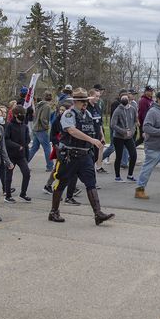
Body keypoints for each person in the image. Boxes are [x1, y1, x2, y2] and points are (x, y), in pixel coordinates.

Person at [48, 88, 113, 225]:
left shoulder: (88, 113)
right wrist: (91, 140)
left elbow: (94, 128)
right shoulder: (68, 114)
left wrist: (97, 140)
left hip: (85, 155)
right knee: (61, 182)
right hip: (69, 156)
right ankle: (54, 212)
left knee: (91, 183)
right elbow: (71, 131)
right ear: (76, 101)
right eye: (83, 101)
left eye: (86, 101)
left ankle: (98, 213)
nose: (85, 103)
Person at [2, 105, 31, 203]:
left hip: (21, 156)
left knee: (27, 173)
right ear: (15, 115)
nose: (22, 116)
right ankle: (8, 195)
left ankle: (23, 194)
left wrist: (25, 147)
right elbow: (6, 140)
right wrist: (17, 146)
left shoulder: (25, 126)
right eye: (20, 114)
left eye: (24, 114)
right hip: (11, 155)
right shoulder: (9, 125)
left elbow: (28, 139)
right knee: (9, 175)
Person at [109, 90, 138, 182]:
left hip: (129, 137)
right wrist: (124, 131)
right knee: (119, 156)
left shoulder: (133, 109)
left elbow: (135, 121)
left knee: (133, 155)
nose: (126, 99)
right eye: (123, 98)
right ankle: (117, 176)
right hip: (118, 137)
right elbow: (113, 125)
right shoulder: (118, 110)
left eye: (127, 98)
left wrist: (132, 131)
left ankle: (130, 175)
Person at [28, 91, 54, 171]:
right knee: (47, 148)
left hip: (36, 128)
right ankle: (50, 166)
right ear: (51, 98)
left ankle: (24, 162)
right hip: (41, 129)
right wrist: (46, 127)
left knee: (34, 148)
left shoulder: (39, 105)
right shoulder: (46, 106)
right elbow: (43, 119)